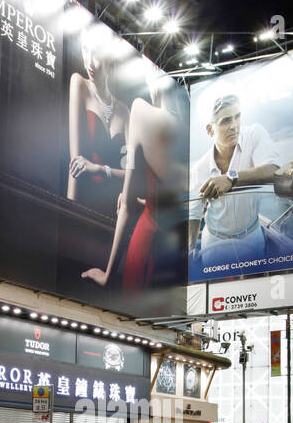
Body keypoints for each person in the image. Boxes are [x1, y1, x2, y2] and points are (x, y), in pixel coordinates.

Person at [81, 74, 182, 290]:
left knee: (132, 319)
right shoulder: (191, 128)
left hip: (147, 242)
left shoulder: (140, 110)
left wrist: (108, 274)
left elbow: (125, 204)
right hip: (178, 255)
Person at [187, 92, 280, 273]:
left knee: (256, 288)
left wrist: (231, 178)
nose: (234, 126)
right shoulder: (200, 168)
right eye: (226, 121)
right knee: (218, 291)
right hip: (214, 240)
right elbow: (195, 211)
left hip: (252, 235)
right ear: (210, 130)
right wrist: (191, 248)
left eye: (237, 117)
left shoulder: (254, 134)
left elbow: (273, 170)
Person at [67, 25, 129, 211]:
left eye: (97, 54)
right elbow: (75, 163)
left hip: (114, 209)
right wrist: (70, 209)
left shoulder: (124, 111)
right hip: (83, 202)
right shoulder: (79, 84)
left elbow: (132, 174)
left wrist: (101, 169)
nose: (90, 63)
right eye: (86, 50)